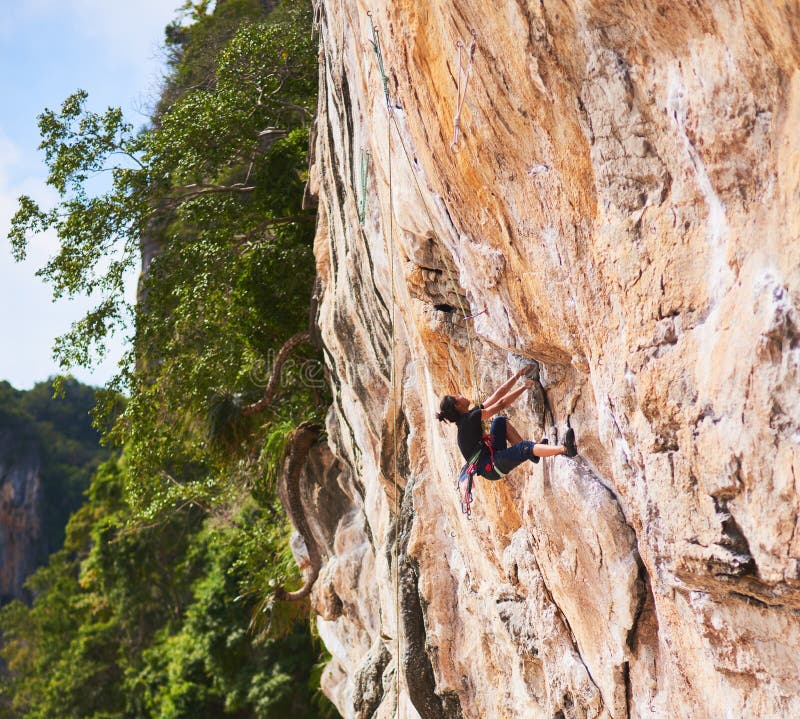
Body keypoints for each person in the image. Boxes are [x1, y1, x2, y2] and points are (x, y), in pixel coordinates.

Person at [436, 368, 577, 480]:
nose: (460, 395)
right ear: (457, 405)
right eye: (457, 396)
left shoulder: (468, 417)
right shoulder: (469, 420)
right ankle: (565, 449)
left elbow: (497, 396)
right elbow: (501, 404)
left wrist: (517, 376)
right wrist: (523, 387)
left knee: (499, 422)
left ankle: (533, 454)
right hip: (491, 467)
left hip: (490, 458)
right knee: (524, 447)